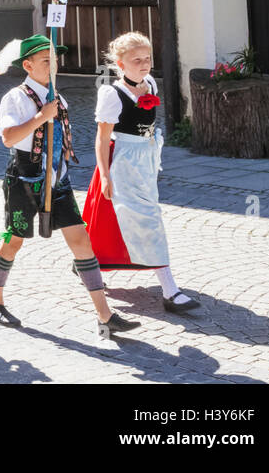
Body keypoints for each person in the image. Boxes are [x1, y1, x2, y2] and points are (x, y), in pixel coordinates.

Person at [0, 34, 140, 339]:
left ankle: (104, 316)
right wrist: (41, 117)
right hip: (25, 179)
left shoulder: (58, 97)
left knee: (81, 241)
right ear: (28, 65)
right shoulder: (15, 98)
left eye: (55, 60)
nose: (53, 65)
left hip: (58, 179)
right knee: (13, 241)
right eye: (46, 61)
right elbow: (8, 138)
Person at [84, 31, 200, 313]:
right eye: (136, 60)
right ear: (120, 64)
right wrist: (105, 175)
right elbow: (102, 138)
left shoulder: (149, 84)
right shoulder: (112, 94)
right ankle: (170, 290)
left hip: (146, 159)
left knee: (118, 218)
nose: (145, 64)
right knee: (149, 218)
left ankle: (88, 263)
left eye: (147, 58)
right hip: (123, 160)